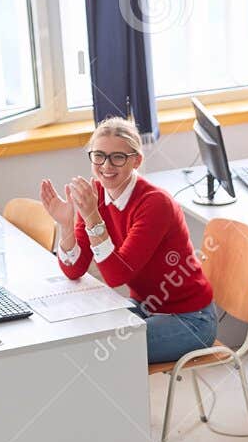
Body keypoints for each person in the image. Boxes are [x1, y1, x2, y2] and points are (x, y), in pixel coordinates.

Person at [42, 118, 217, 365]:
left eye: (118, 157)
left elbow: (116, 276)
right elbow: (75, 269)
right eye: (99, 156)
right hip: (145, 306)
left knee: (104, 355)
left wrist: (92, 217)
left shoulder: (155, 203)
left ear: (136, 160)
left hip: (190, 318)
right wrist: (66, 225)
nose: (106, 166)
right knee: (79, 339)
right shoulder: (96, 194)